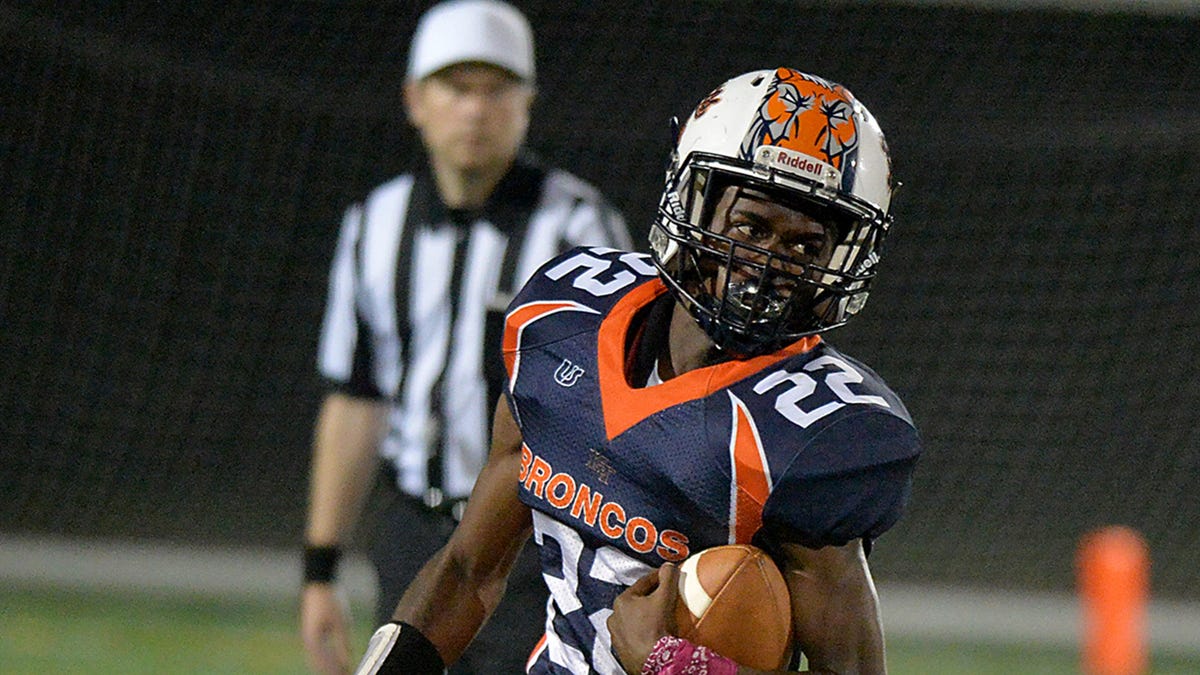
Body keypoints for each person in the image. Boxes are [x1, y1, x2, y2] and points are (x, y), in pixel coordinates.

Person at [352, 66, 921, 674]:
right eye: (750, 226)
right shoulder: (562, 321)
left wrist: (675, 667)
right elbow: (468, 570)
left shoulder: (809, 434)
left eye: (804, 246)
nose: (768, 263)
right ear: (696, 204)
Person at [300, 1, 631, 673]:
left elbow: (627, 408)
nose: (476, 110)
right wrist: (320, 568)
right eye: (457, 87)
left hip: (535, 545)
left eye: (496, 88)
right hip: (413, 540)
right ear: (416, 100)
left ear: (526, 103)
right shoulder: (374, 224)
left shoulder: (581, 230)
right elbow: (356, 400)